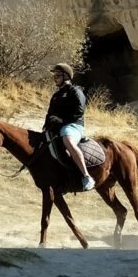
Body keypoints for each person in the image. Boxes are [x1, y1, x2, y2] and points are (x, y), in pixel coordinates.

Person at [44, 63, 94, 191]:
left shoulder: (75, 91)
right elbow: (49, 114)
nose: (55, 77)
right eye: (54, 75)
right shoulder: (55, 95)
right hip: (56, 128)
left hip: (73, 126)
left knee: (66, 138)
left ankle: (86, 176)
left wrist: (62, 120)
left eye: (57, 75)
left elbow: (79, 111)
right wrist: (45, 127)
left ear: (66, 76)